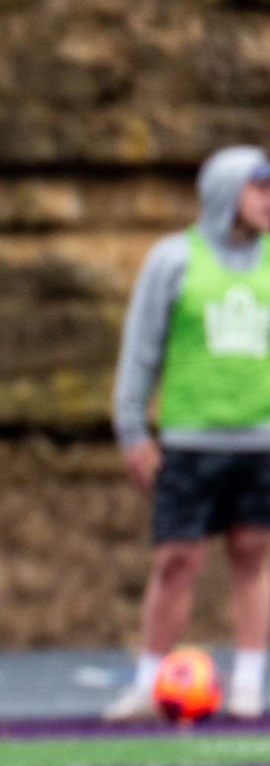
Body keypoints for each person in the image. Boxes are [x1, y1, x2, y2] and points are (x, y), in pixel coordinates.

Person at [105, 144, 270, 722]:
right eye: (260, 189)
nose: (268, 202)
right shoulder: (174, 259)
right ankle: (150, 680)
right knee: (177, 559)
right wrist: (132, 427)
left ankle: (251, 679)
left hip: (260, 442)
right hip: (191, 440)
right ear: (229, 193)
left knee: (254, 555)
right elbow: (141, 348)